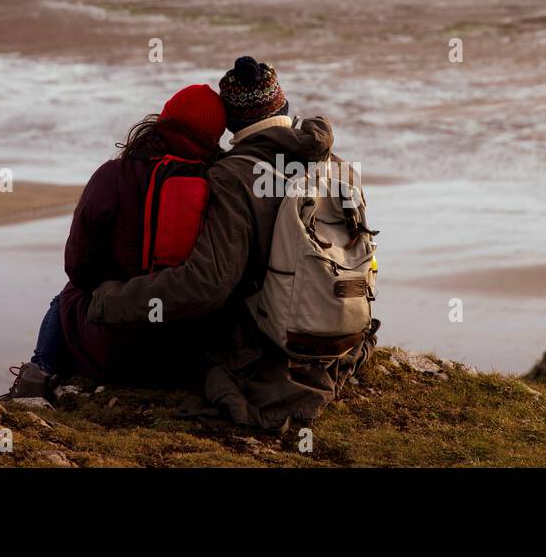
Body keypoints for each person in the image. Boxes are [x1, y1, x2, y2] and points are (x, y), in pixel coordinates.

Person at [84, 56, 377, 429]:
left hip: (269, 347)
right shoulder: (337, 167)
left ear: (232, 124)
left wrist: (111, 300)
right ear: (283, 106)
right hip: (343, 338)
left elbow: (206, 284)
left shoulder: (231, 176)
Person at [0, 84, 228, 400]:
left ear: (163, 119)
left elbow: (77, 267)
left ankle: (37, 378)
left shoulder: (114, 174)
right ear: (214, 139)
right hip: (188, 361)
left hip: (115, 355)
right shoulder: (220, 184)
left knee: (69, 294)